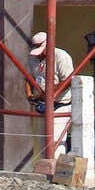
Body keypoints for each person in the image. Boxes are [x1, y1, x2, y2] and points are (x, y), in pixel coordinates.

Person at [27, 31, 73, 161]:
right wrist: (29, 94)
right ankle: (46, 168)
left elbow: (68, 81)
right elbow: (28, 77)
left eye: (41, 51)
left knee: (56, 143)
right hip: (41, 105)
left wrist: (48, 94)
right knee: (42, 143)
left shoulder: (61, 56)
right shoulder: (33, 58)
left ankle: (55, 168)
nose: (39, 55)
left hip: (60, 104)